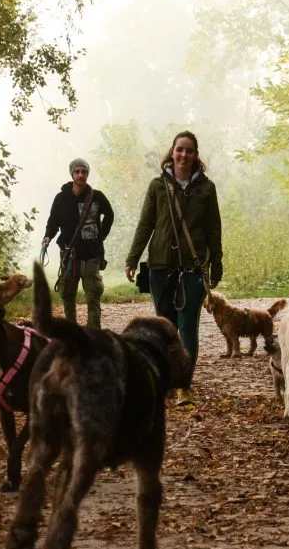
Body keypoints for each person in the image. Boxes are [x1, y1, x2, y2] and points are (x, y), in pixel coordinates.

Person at [124, 131, 222, 406]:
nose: (184, 155)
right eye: (180, 149)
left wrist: (217, 262)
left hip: (192, 267)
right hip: (160, 267)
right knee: (164, 327)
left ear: (195, 155)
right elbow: (146, 224)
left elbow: (214, 228)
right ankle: (165, 381)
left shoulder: (206, 188)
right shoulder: (158, 186)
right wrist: (132, 258)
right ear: (172, 152)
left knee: (187, 326)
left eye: (189, 150)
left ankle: (183, 387)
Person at [43, 158, 114, 328]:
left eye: (84, 171)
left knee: (93, 296)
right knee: (68, 296)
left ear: (87, 174)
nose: (81, 175)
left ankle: (93, 335)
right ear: (72, 174)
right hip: (69, 256)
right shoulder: (61, 198)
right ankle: (71, 335)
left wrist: (100, 237)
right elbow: (53, 221)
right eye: (77, 171)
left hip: (91, 255)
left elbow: (109, 216)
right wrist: (48, 236)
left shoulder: (96, 196)